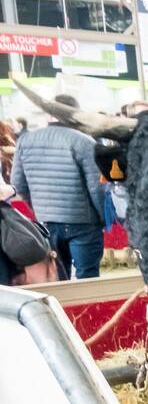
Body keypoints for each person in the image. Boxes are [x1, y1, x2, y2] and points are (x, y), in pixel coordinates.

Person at [10, 94, 105, 279]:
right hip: (83, 222)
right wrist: (103, 218)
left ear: (49, 114)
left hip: (46, 221)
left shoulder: (25, 141)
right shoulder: (84, 142)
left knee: (57, 277)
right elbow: (97, 188)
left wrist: (37, 208)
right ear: (75, 114)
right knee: (88, 277)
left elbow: (18, 184)